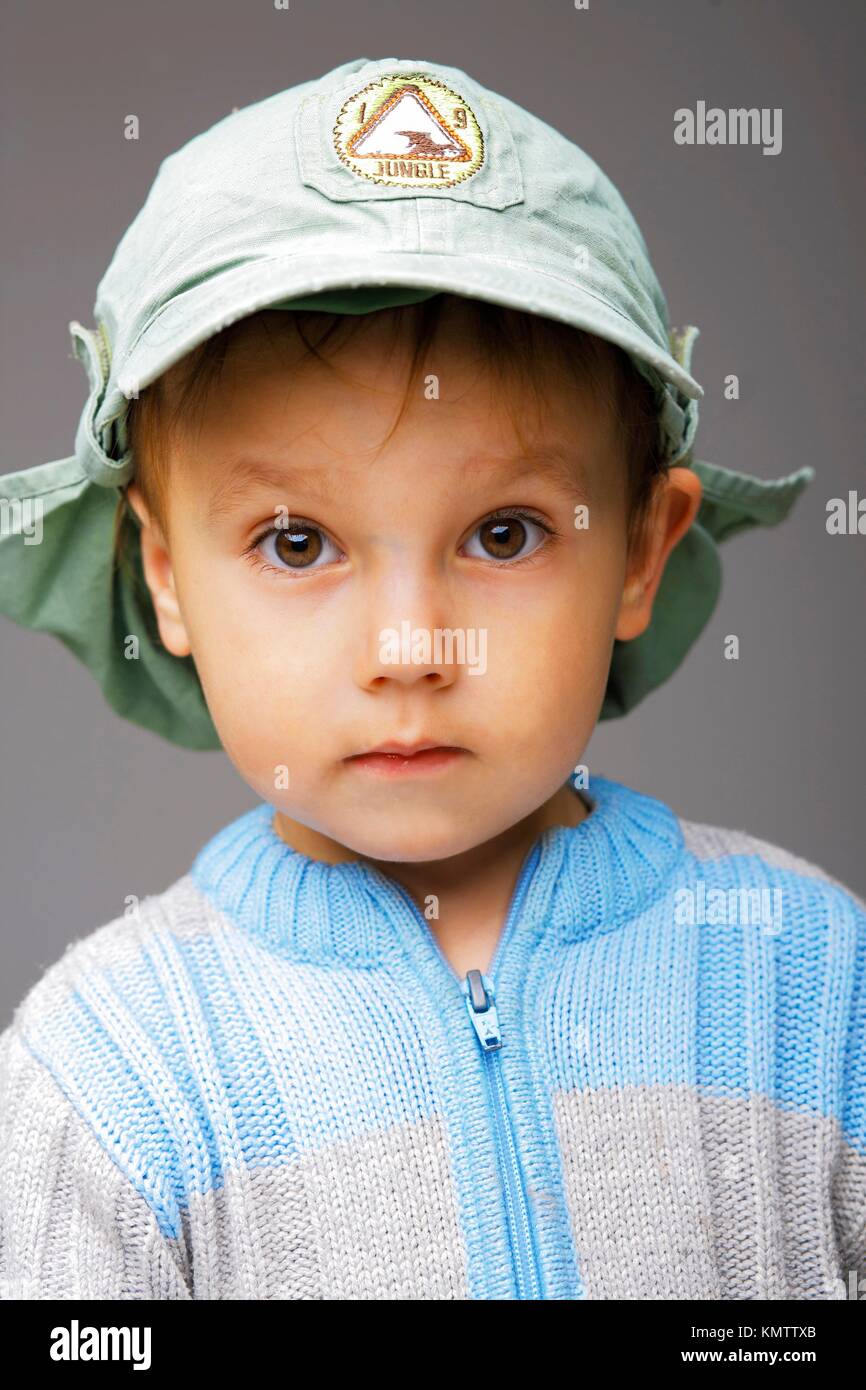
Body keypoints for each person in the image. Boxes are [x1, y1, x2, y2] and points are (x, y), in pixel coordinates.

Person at [0, 56, 862, 1301]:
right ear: (166, 574)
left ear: (638, 550)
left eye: (503, 534)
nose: (411, 647)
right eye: (296, 541)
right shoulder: (108, 1074)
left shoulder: (809, 981)